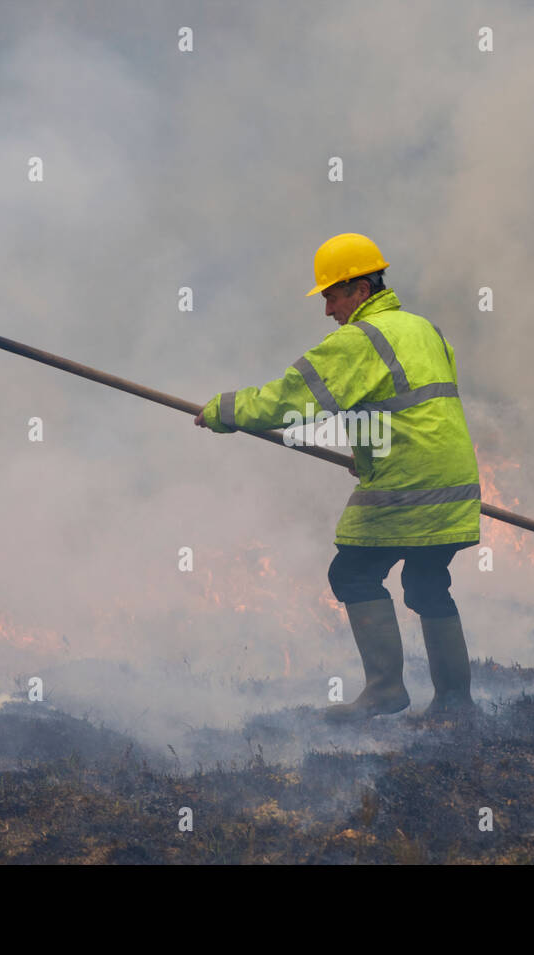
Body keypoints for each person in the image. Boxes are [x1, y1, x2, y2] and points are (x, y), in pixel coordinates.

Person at [194, 233, 481, 721]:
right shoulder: (423, 328)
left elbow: (291, 400)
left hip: (408, 484)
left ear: (361, 290)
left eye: (331, 294)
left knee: (353, 573)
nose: (327, 309)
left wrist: (224, 410)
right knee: (428, 582)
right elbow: (413, 410)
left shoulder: (358, 340)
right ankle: (456, 705)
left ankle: (386, 689)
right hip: (453, 480)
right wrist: (370, 454)